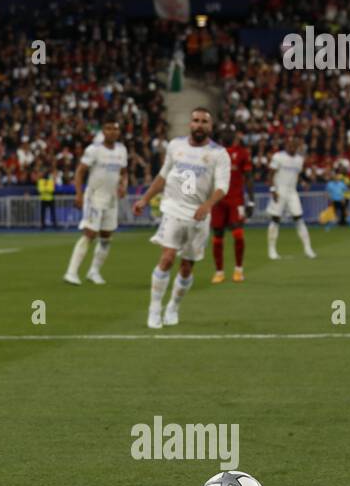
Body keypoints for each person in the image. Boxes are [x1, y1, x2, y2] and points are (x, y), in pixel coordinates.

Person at [132, 108, 230, 329]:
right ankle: (154, 309)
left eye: (204, 121)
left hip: (199, 215)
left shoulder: (218, 153)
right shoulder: (175, 145)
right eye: (195, 120)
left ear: (210, 127)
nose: (199, 125)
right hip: (173, 209)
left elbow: (223, 186)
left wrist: (207, 205)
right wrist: (145, 199)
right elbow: (162, 176)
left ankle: (173, 306)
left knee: (187, 267)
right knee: (167, 258)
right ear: (190, 124)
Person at [64, 120, 127, 286]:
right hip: (94, 198)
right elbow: (80, 172)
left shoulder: (122, 150)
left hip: (112, 199)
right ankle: (71, 272)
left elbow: (124, 172)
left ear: (118, 132)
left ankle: (94, 271)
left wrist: (123, 186)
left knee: (106, 237)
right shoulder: (94, 150)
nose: (112, 131)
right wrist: (78, 194)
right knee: (90, 234)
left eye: (115, 128)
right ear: (103, 131)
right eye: (108, 128)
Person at [210, 124, 252, 283]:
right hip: (218, 200)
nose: (227, 136)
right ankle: (219, 272)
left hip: (236, 200)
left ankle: (238, 270)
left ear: (235, 137)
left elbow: (248, 177)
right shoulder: (214, 154)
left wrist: (252, 201)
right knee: (217, 236)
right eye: (224, 134)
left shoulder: (242, 153)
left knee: (238, 234)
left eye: (230, 134)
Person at [267, 136, 316, 260]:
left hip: (292, 192)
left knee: (299, 218)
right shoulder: (278, 157)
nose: (293, 148)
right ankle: (272, 250)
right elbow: (270, 174)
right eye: (290, 145)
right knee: (276, 219)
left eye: (295, 146)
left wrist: (303, 183)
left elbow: (296, 175)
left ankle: (308, 249)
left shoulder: (299, 160)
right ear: (286, 146)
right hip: (279, 190)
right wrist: (273, 189)